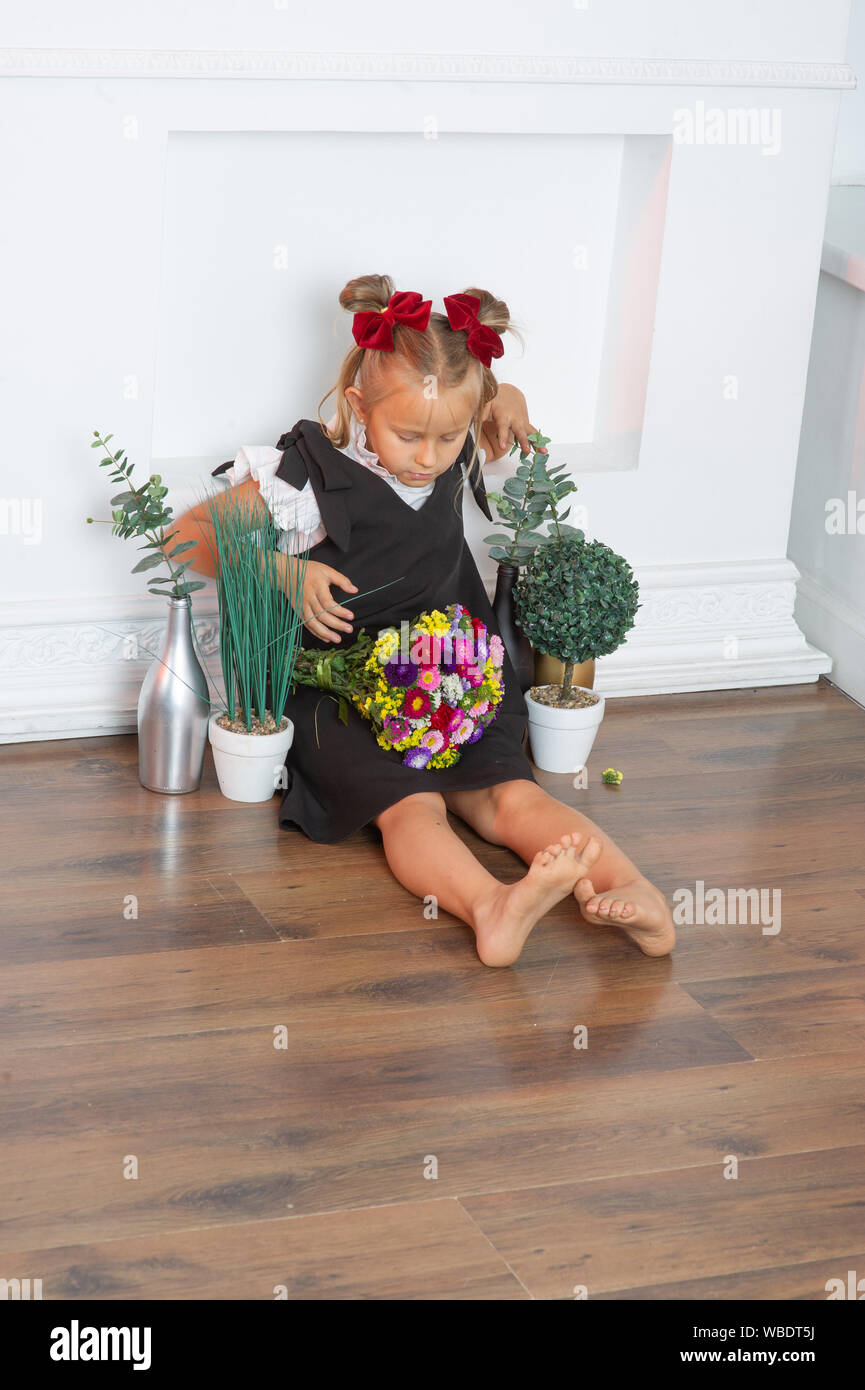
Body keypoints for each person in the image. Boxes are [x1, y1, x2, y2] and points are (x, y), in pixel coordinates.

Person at [175, 274, 675, 967]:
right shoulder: (306, 475)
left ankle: (631, 890)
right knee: (412, 806)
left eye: (450, 437)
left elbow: (489, 401)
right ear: (357, 405)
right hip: (338, 694)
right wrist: (283, 572)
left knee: (507, 796)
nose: (430, 458)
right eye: (409, 435)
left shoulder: (450, 435)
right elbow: (184, 539)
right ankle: (489, 905)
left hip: (453, 683)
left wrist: (505, 404)